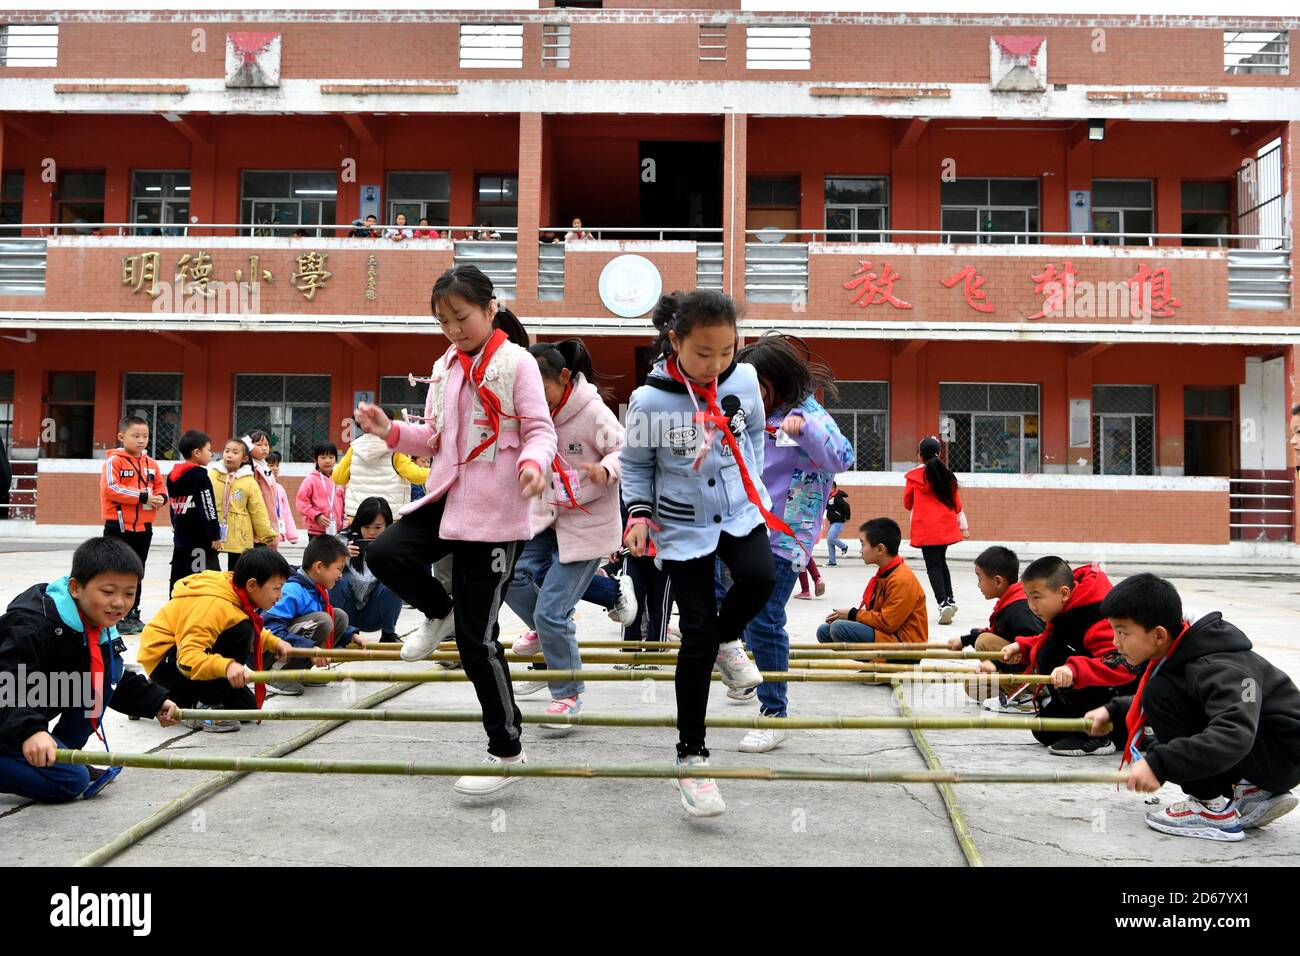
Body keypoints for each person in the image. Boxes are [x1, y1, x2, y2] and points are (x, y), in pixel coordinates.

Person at [355, 263, 556, 796]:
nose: (453, 329)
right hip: (448, 501)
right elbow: (436, 439)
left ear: (491, 309)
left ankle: (506, 748)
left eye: (461, 317)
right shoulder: (445, 366)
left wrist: (534, 464)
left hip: (494, 518)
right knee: (385, 552)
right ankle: (438, 611)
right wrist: (392, 431)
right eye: (443, 321)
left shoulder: (517, 364)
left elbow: (540, 429)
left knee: (478, 642)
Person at [621, 289, 776, 817]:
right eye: (703, 353)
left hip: (738, 509)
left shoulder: (745, 380)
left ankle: (726, 637)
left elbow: (753, 434)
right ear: (675, 342)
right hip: (682, 526)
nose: (715, 364)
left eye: (727, 351)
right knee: (695, 638)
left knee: (760, 578)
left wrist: (753, 485)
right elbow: (637, 466)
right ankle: (692, 758)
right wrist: (638, 515)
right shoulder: (650, 400)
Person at [1083, 573, 1300, 842]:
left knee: (1159, 694)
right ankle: (1252, 790)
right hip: (1271, 749)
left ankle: (1210, 807)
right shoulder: (1187, 648)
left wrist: (1160, 764)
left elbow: (1235, 733)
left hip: (1282, 755)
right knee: (1161, 691)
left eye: (1122, 632)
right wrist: (1114, 710)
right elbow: (1191, 700)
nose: (1115, 642)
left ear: (1159, 634)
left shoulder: (1219, 666)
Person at [733, 333, 853, 752]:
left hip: (786, 536)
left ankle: (774, 712)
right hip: (741, 527)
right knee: (727, 605)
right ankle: (742, 666)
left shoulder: (808, 414)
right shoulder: (749, 413)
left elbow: (842, 456)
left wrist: (806, 433)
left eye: (757, 388)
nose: (750, 396)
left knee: (765, 618)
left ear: (776, 382)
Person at [504, 339, 625, 732]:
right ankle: (546, 630)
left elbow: (625, 450)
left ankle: (567, 696)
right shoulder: (534, 416)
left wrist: (604, 470)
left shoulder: (592, 411)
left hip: (586, 523)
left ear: (564, 377)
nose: (535, 399)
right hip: (545, 516)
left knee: (552, 611)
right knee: (511, 577)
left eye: (543, 389)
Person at [0, 538, 180, 802]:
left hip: (20, 715)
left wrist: (154, 701)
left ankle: (63, 753)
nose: (119, 603)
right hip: (8, 711)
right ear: (75, 587)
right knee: (70, 781)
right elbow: (6, 684)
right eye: (108, 592)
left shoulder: (95, 624)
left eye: (129, 594)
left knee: (109, 666)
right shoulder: (31, 626)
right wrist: (29, 731)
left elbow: (109, 676)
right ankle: (53, 764)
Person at [137, 547, 293, 731]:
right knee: (242, 631)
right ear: (252, 584)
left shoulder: (236, 592)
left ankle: (150, 693)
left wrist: (276, 643)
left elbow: (250, 625)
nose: (280, 595)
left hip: (185, 659)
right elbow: (187, 659)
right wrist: (226, 666)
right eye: (277, 588)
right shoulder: (213, 604)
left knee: (246, 708)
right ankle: (202, 706)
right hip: (166, 660)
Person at [1000, 556, 1141, 756]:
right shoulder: (1070, 607)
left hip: (1120, 698)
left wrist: (1074, 670)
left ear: (1064, 593)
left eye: (1036, 597)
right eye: (1028, 597)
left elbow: (1124, 664)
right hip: (1083, 696)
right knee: (1043, 729)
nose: (1031, 605)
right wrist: (1022, 647)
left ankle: (1098, 736)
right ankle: (1107, 730)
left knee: (1054, 655)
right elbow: (1053, 638)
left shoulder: (1097, 614)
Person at [262, 534, 352, 695]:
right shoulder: (293, 590)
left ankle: (297, 672)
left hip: (291, 644)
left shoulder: (317, 588)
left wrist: (351, 635)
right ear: (319, 567)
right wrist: (310, 648)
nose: (340, 575)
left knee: (338, 617)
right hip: (267, 654)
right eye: (339, 569)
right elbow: (269, 627)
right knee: (324, 620)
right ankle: (276, 676)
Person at [100, 415, 166, 634]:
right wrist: (143, 497)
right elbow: (111, 488)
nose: (141, 440)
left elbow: (160, 489)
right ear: (121, 436)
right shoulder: (114, 461)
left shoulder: (151, 464)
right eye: (135, 436)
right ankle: (110, 613)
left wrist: (160, 499)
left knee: (137, 572)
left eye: (145, 436)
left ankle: (132, 613)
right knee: (115, 571)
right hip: (118, 527)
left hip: (143, 529)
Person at [817, 517, 927, 645]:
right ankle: (873, 663)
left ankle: (883, 663)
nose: (860, 550)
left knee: (838, 628)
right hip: (887, 635)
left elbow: (887, 623)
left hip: (903, 643)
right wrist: (853, 617)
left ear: (880, 549)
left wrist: (853, 614)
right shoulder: (885, 574)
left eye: (863, 544)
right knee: (824, 631)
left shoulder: (902, 579)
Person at [904, 436, 968, 625]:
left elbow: (907, 503)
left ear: (920, 456)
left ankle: (942, 603)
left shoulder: (914, 477)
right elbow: (957, 504)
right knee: (941, 562)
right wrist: (964, 526)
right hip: (945, 526)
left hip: (925, 528)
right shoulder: (947, 475)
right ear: (940, 454)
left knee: (933, 566)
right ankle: (950, 599)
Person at [330, 497, 405, 645]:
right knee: (337, 579)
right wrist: (341, 557)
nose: (372, 533)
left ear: (387, 525)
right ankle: (342, 632)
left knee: (395, 581)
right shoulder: (341, 541)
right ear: (358, 525)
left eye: (378, 527)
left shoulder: (395, 543)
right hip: (346, 613)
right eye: (366, 527)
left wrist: (392, 556)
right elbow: (321, 571)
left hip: (374, 614)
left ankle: (389, 634)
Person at [333, 421, 428, 521]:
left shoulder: (354, 449)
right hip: (388, 516)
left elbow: (338, 478)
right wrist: (440, 472)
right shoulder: (395, 451)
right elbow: (416, 476)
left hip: (358, 515)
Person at [166, 429, 223, 593]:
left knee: (180, 579)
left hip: (181, 539)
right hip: (200, 540)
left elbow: (173, 506)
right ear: (197, 452)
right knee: (203, 580)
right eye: (209, 450)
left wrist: (176, 526)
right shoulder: (199, 476)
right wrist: (215, 534)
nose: (211, 454)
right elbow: (208, 507)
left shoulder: (172, 476)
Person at [209, 439, 276, 572]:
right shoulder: (212, 475)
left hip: (240, 532)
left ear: (244, 458)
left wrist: (266, 533)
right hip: (213, 531)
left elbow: (258, 509)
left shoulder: (249, 482)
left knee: (237, 571)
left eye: (235, 452)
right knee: (209, 569)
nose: (229, 455)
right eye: (227, 451)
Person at [296, 442, 345, 538]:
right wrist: (316, 516)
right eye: (323, 457)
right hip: (316, 531)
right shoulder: (310, 480)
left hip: (337, 531)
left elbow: (345, 503)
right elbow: (301, 503)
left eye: (331, 457)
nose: (327, 461)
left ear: (336, 459)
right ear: (315, 459)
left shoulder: (340, 479)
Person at [243, 431, 280, 550]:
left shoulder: (264, 465)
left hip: (268, 515)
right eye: (259, 445)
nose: (264, 448)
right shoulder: (250, 466)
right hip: (256, 516)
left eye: (266, 444)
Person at [265, 451, 300, 546]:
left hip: (276, 531)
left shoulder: (280, 489)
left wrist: (292, 535)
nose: (275, 468)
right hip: (263, 532)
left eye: (277, 465)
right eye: (271, 465)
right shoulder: (258, 486)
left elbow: (286, 512)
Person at [825, 481, 850, 565]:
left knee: (831, 538)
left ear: (833, 488)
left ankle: (844, 547)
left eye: (829, 488)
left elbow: (846, 506)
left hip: (838, 522)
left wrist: (847, 517)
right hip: (832, 522)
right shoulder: (830, 497)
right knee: (829, 541)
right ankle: (832, 561)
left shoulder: (837, 497)